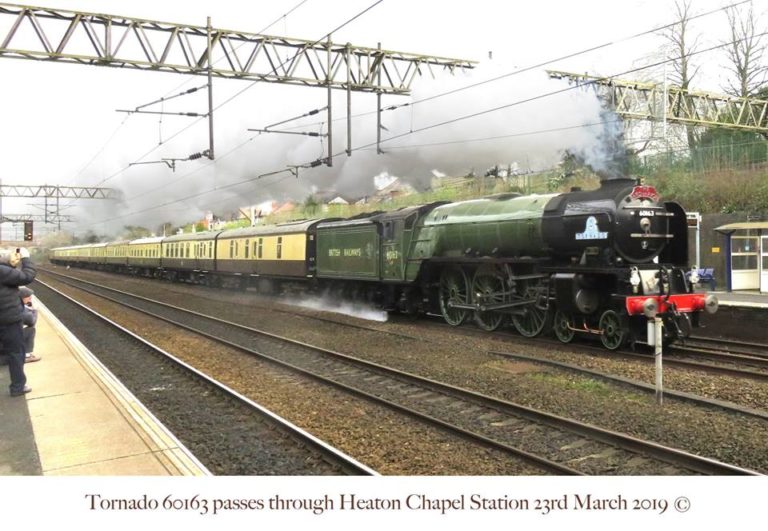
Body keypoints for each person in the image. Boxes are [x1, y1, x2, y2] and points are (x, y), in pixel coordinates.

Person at [0, 247, 37, 396]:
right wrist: (26, 259)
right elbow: (27, 277)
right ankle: (18, 387)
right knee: (16, 353)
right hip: (7, 319)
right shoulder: (2, 271)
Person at [20, 286, 40, 363]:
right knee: (31, 329)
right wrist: (34, 310)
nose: (30, 299)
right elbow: (32, 321)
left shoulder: (14, 305)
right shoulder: (21, 309)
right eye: (28, 297)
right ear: (22, 298)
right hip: (7, 338)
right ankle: (27, 355)